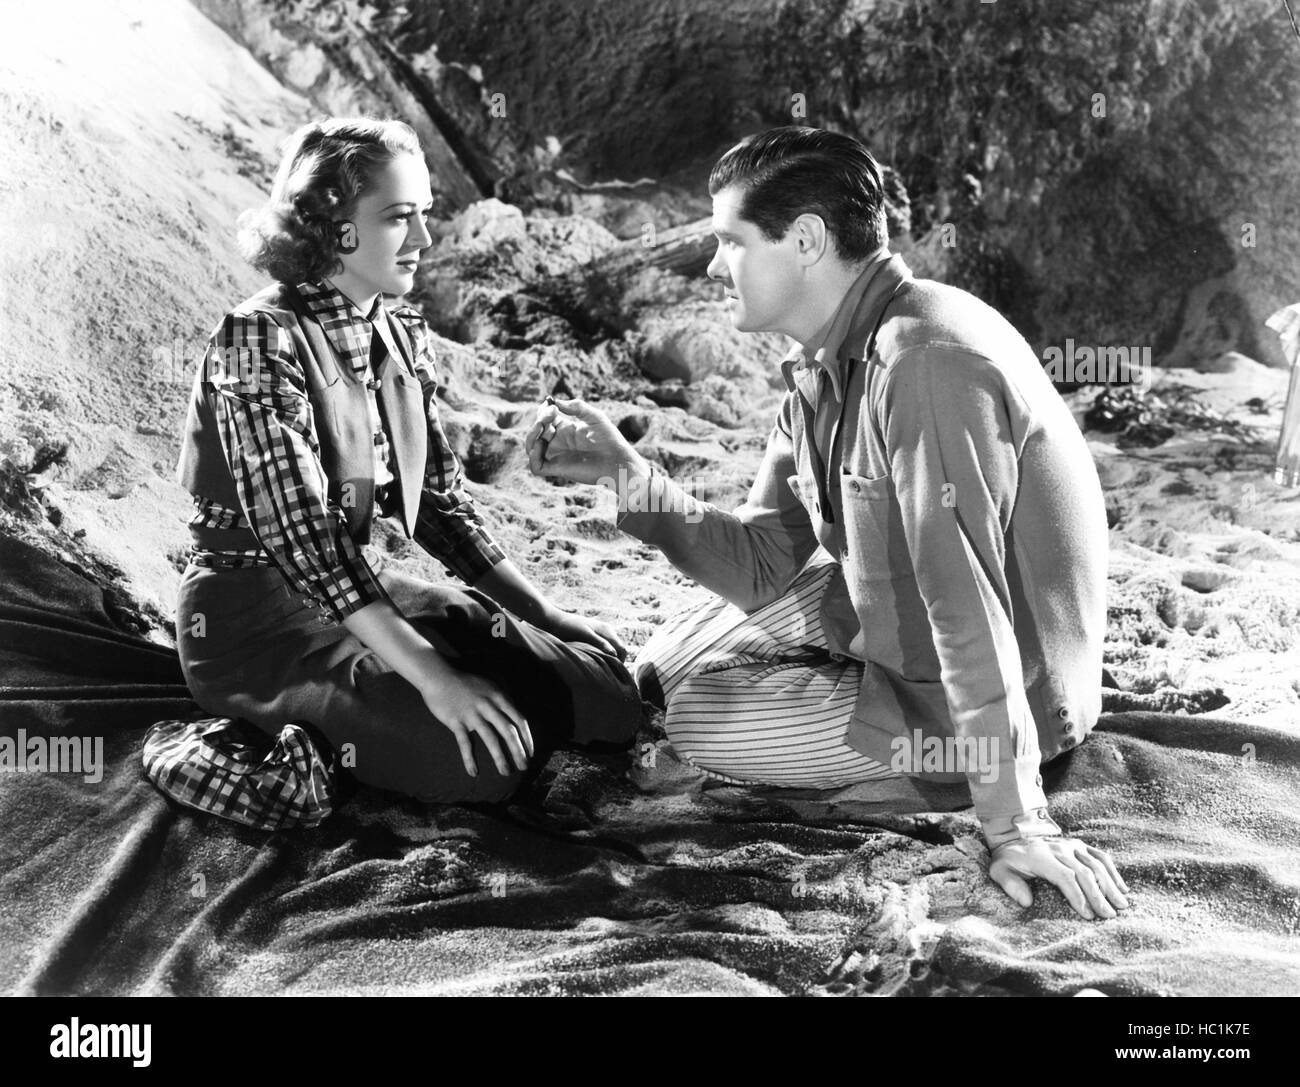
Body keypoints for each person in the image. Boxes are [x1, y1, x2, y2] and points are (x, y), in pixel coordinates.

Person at [527, 126, 1130, 920]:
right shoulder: (825, 362)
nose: (712, 265)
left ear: (805, 240)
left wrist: (1016, 821)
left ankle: (925, 783)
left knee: (697, 719)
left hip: (1000, 687)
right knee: (661, 667)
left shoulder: (923, 366)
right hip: (893, 614)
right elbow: (760, 560)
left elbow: (968, 608)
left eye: (730, 241)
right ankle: (847, 715)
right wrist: (623, 472)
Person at [174, 117, 641, 805]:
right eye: (400, 218)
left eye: (424, 215)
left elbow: (441, 505)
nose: (424, 239)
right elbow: (308, 543)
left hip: (365, 592)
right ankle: (238, 744)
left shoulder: (397, 331)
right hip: (254, 629)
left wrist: (543, 614)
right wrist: (433, 677)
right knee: (478, 763)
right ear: (330, 226)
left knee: (607, 699)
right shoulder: (255, 340)